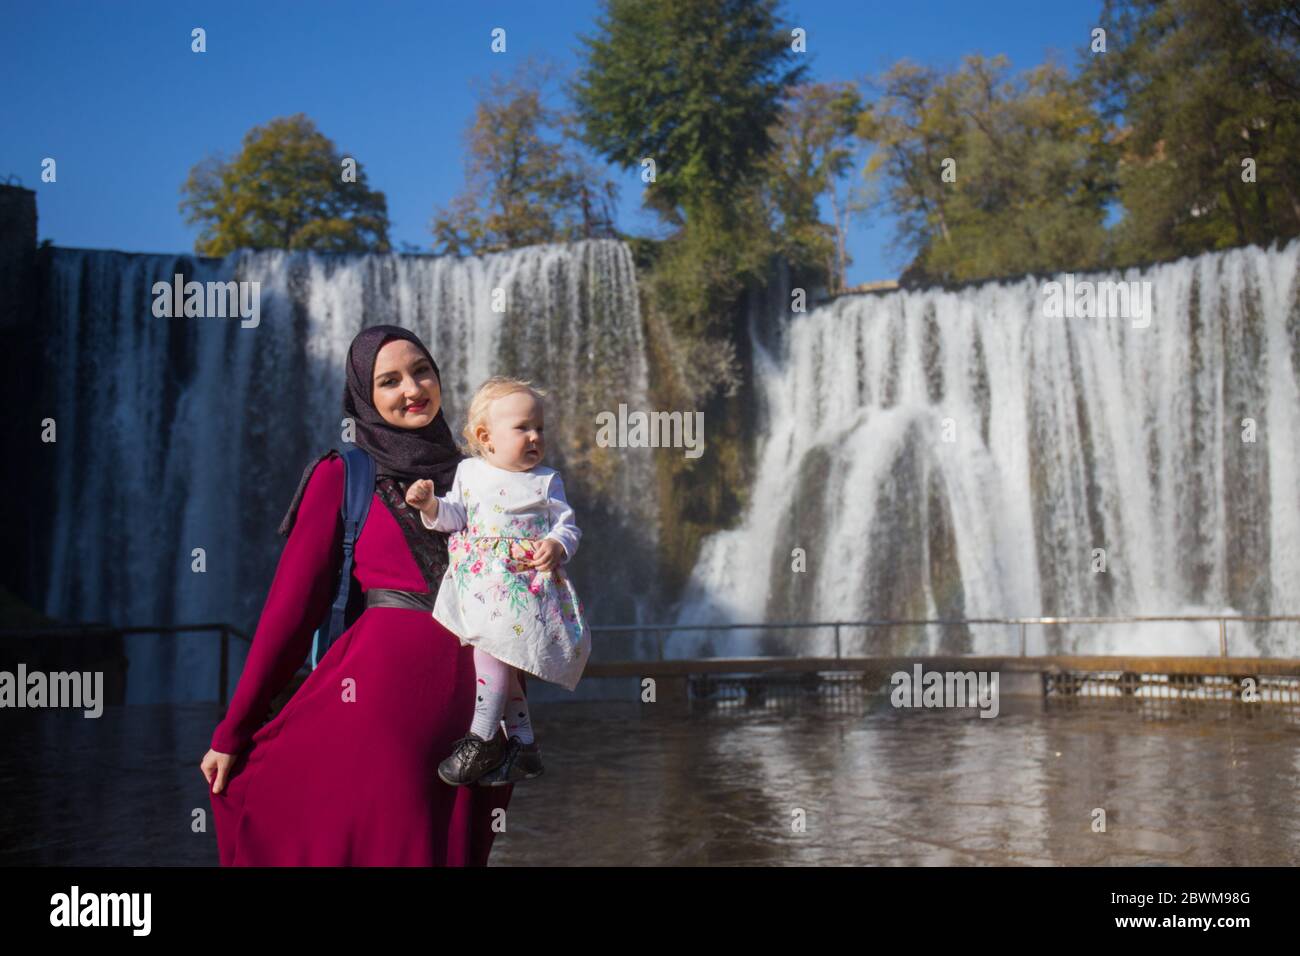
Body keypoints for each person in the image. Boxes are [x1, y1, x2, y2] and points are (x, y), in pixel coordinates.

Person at [198, 325, 517, 866]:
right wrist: (233, 730)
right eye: (388, 381)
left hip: (475, 717)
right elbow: (290, 614)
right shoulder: (341, 476)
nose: (412, 388)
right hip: (380, 709)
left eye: (421, 371)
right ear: (364, 398)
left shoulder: (482, 477)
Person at [404, 377, 590, 787]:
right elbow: (454, 516)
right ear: (486, 437)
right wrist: (430, 504)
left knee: (490, 656)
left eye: (540, 428)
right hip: (479, 585)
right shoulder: (469, 472)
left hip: (521, 590)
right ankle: (523, 745)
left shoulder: (545, 480)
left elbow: (568, 525)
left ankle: (483, 735)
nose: (535, 437)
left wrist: (558, 545)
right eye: (523, 428)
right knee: (500, 657)